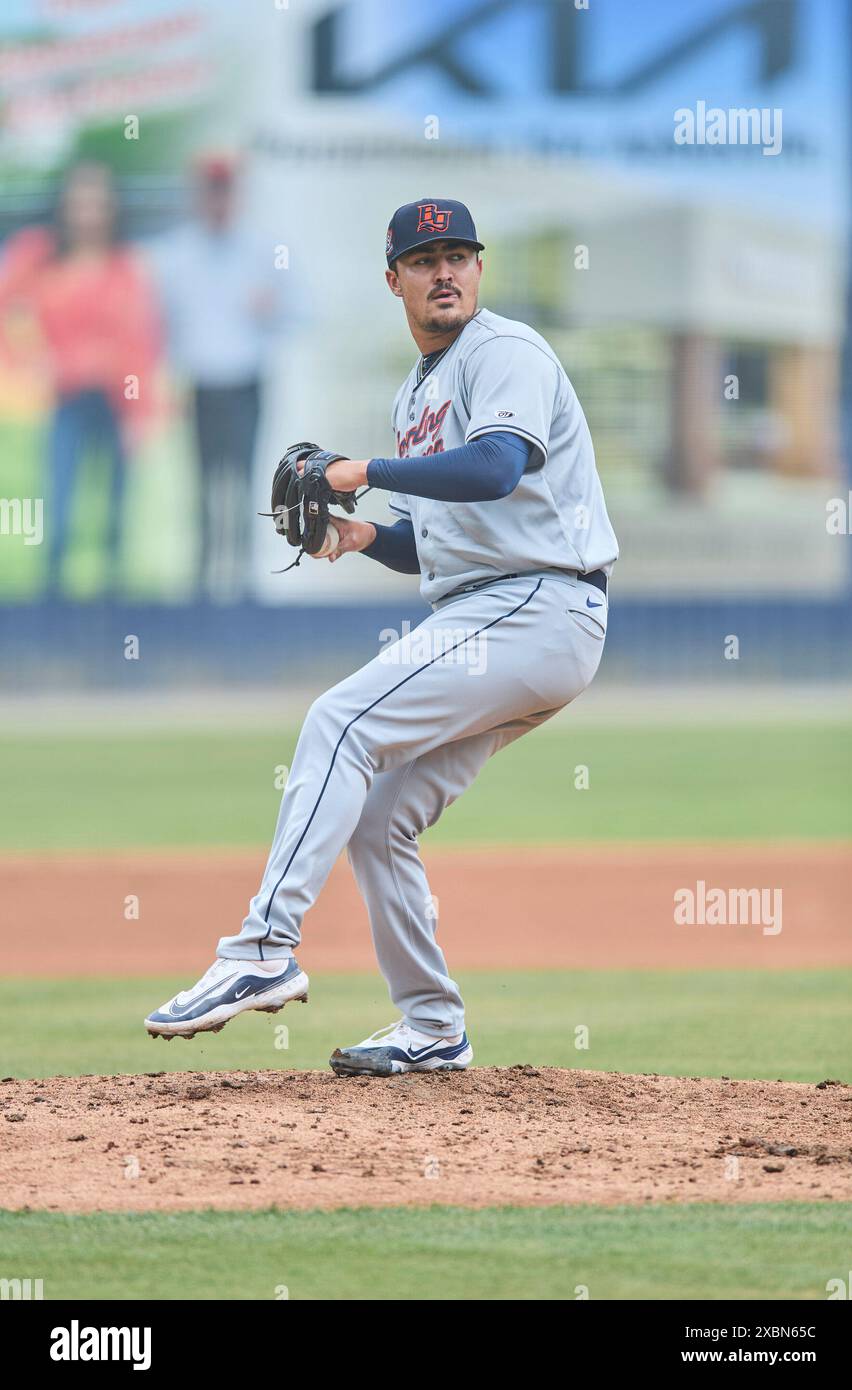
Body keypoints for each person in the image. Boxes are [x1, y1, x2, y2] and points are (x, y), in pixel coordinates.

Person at [145, 198, 619, 1076]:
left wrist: (360, 470)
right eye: (424, 258)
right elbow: (437, 543)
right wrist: (364, 536)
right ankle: (433, 1024)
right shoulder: (418, 394)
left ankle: (260, 950)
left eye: (459, 255)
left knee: (339, 723)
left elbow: (496, 467)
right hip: (499, 613)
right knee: (381, 818)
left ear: (479, 270)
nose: (445, 271)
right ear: (393, 278)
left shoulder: (502, 351)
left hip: (538, 606)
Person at [0, 162, 160, 595]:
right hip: (65, 399)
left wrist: (140, 413)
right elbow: (6, 306)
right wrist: (30, 362)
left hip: (114, 400)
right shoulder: (38, 254)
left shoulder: (124, 266)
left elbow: (140, 344)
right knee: (62, 509)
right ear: (64, 206)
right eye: (79, 202)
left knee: (113, 514)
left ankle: (109, 622)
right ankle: (51, 614)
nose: (88, 213)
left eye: (97, 203)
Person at [148, 153, 290, 600]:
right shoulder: (174, 255)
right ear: (198, 195)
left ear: (237, 193)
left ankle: (245, 581)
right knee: (202, 485)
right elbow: (155, 324)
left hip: (246, 382)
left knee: (246, 482)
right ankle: (202, 584)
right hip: (200, 384)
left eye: (224, 189)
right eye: (211, 189)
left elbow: (303, 309)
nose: (218, 199)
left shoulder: (265, 251)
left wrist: (273, 310)